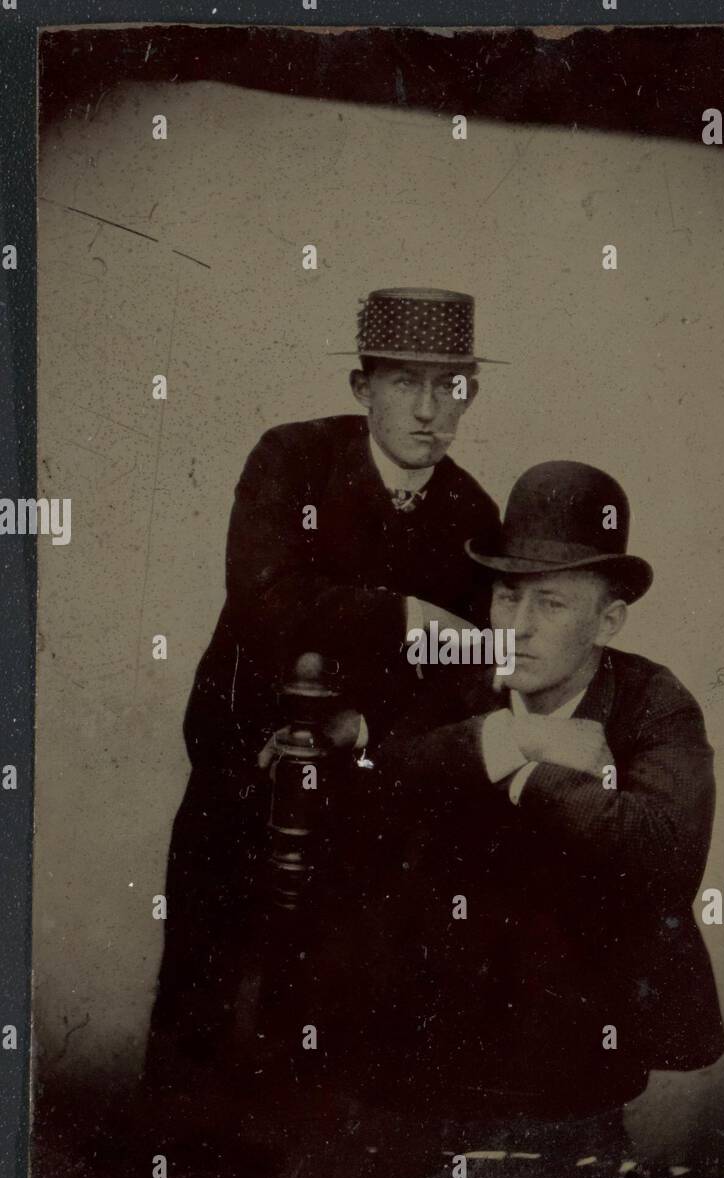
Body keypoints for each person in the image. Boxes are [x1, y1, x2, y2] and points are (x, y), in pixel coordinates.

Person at [142, 288, 502, 1095]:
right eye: (407, 382)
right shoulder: (292, 459)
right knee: (201, 990)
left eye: (453, 386)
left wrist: (367, 725)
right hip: (240, 767)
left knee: (321, 1010)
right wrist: (408, 614)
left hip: (363, 790)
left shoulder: (474, 515)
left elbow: (464, 680)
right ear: (360, 387)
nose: (430, 410)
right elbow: (264, 600)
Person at [346, 459, 724, 1175]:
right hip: (426, 1068)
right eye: (506, 597)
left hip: (574, 1072)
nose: (515, 629)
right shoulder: (450, 681)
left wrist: (528, 777)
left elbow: (666, 856)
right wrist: (515, 737)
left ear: (607, 620)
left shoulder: (654, 702)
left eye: (550, 605)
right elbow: (370, 804)